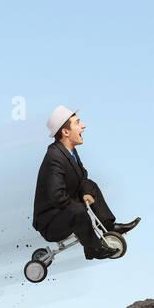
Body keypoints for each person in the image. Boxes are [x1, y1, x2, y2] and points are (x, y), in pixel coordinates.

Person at [32, 105, 140, 259]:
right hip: (51, 222)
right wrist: (81, 207)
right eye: (77, 122)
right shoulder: (54, 157)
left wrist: (87, 193)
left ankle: (109, 228)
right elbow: (57, 196)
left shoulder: (69, 151)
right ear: (65, 132)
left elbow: (83, 177)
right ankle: (93, 248)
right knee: (77, 210)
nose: (83, 126)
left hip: (65, 211)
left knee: (91, 186)